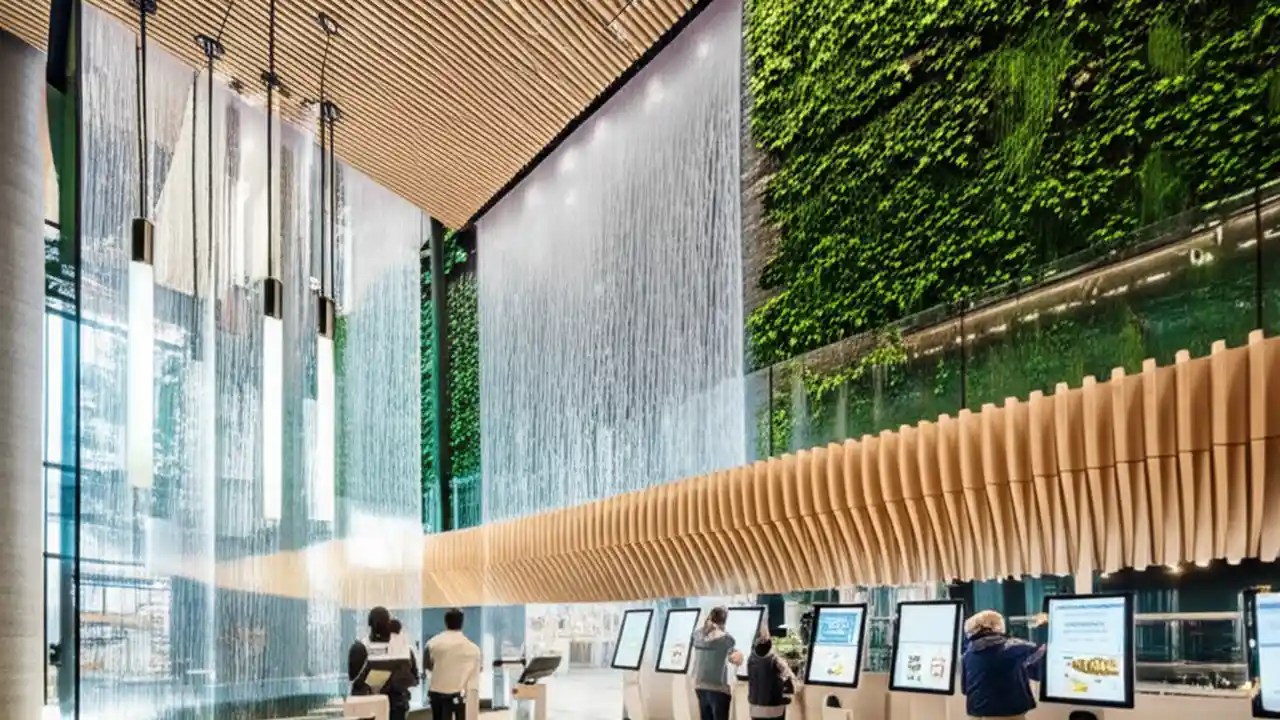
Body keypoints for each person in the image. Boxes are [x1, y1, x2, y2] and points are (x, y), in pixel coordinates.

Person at [961, 610, 1046, 720]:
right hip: (1007, 713)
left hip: (975, 714)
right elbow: (1041, 655)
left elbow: (965, 689)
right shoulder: (1013, 646)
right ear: (997, 626)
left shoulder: (967, 654)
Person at [348, 606, 418, 720]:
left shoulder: (360, 647)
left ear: (370, 624)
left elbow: (353, 679)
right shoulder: (404, 648)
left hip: (369, 706)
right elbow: (414, 679)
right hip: (396, 705)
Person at [424, 607, 483, 720]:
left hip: (437, 693)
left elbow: (427, 667)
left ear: (445, 622)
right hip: (460, 695)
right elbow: (478, 670)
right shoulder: (473, 649)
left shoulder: (432, 643)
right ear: (462, 622)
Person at [692, 607, 745, 720]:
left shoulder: (697, 636)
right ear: (724, 621)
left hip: (700, 685)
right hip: (718, 687)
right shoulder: (727, 639)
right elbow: (735, 659)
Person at [747, 636, 796, 719]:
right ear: (770, 647)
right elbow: (789, 676)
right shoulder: (776, 660)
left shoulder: (751, 660)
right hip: (774, 707)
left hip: (755, 708)